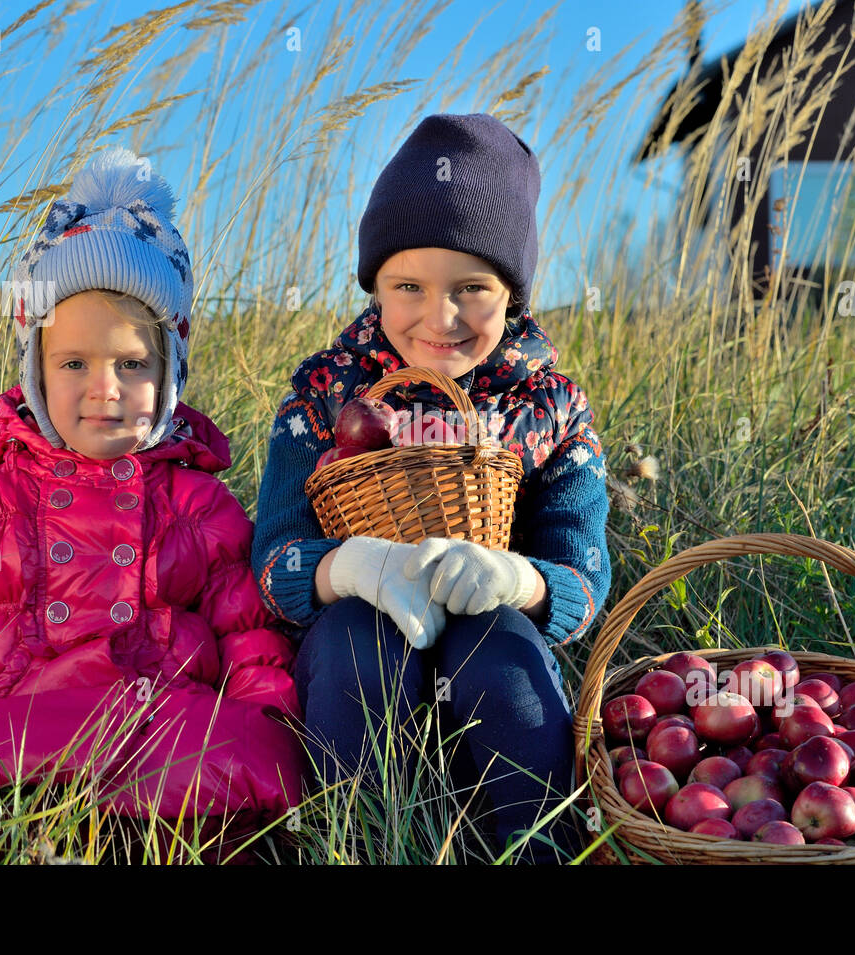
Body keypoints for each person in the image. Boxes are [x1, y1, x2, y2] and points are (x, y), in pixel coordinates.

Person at [0, 147, 305, 861]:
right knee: (0, 832)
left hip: (170, 746)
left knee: (221, 828)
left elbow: (248, 634)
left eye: (132, 363)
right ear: (35, 372)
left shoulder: (202, 508)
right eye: (74, 363)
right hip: (19, 747)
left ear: (170, 373)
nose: (105, 388)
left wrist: (263, 727)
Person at [250, 113, 611, 863]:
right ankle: (353, 840)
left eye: (471, 287)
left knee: (500, 649)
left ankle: (541, 843)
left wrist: (517, 578)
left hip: (489, 661)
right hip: (358, 665)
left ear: (512, 293)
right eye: (407, 284)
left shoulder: (548, 407)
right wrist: (341, 566)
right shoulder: (325, 393)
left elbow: (583, 574)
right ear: (375, 283)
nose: (439, 317)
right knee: (358, 642)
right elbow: (273, 555)